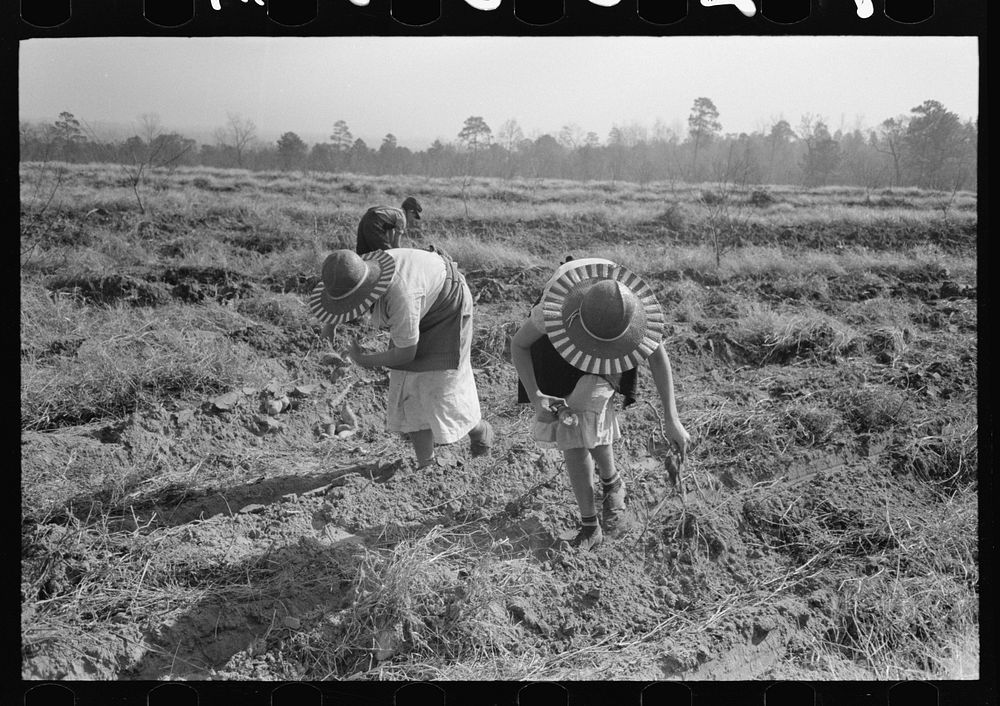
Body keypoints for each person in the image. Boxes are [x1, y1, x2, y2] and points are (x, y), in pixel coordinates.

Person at [510, 257, 690, 550]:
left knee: (578, 428)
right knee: (579, 425)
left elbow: (658, 357)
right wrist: (535, 397)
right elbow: (519, 345)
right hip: (558, 346)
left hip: (612, 344)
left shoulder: (630, 314)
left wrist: (672, 419)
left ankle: (590, 524)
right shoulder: (552, 312)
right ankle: (611, 485)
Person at [309, 247, 494, 468]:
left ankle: (480, 430)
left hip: (447, 307)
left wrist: (363, 359)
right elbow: (343, 295)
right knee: (407, 388)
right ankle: (427, 466)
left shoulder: (402, 295)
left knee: (441, 386)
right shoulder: (356, 268)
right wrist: (329, 325)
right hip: (422, 300)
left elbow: (406, 354)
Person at [355, 196, 422, 255]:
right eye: (415, 216)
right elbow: (396, 245)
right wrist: (405, 254)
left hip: (366, 217)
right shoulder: (402, 217)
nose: (413, 219)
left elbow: (390, 241)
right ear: (411, 211)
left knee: (363, 253)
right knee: (386, 255)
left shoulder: (394, 213)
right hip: (375, 221)